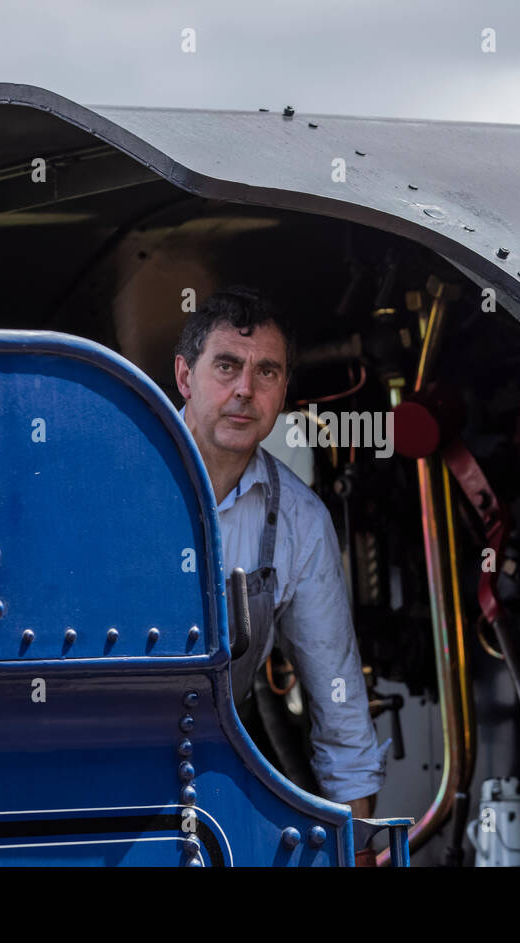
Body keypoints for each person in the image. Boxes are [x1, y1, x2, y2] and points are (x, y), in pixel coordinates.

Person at [174, 286, 388, 823]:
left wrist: (357, 842)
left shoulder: (300, 521)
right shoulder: (111, 480)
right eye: (226, 366)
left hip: (214, 783)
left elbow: (338, 703)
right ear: (184, 377)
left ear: (284, 389)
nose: (245, 389)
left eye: (266, 372)